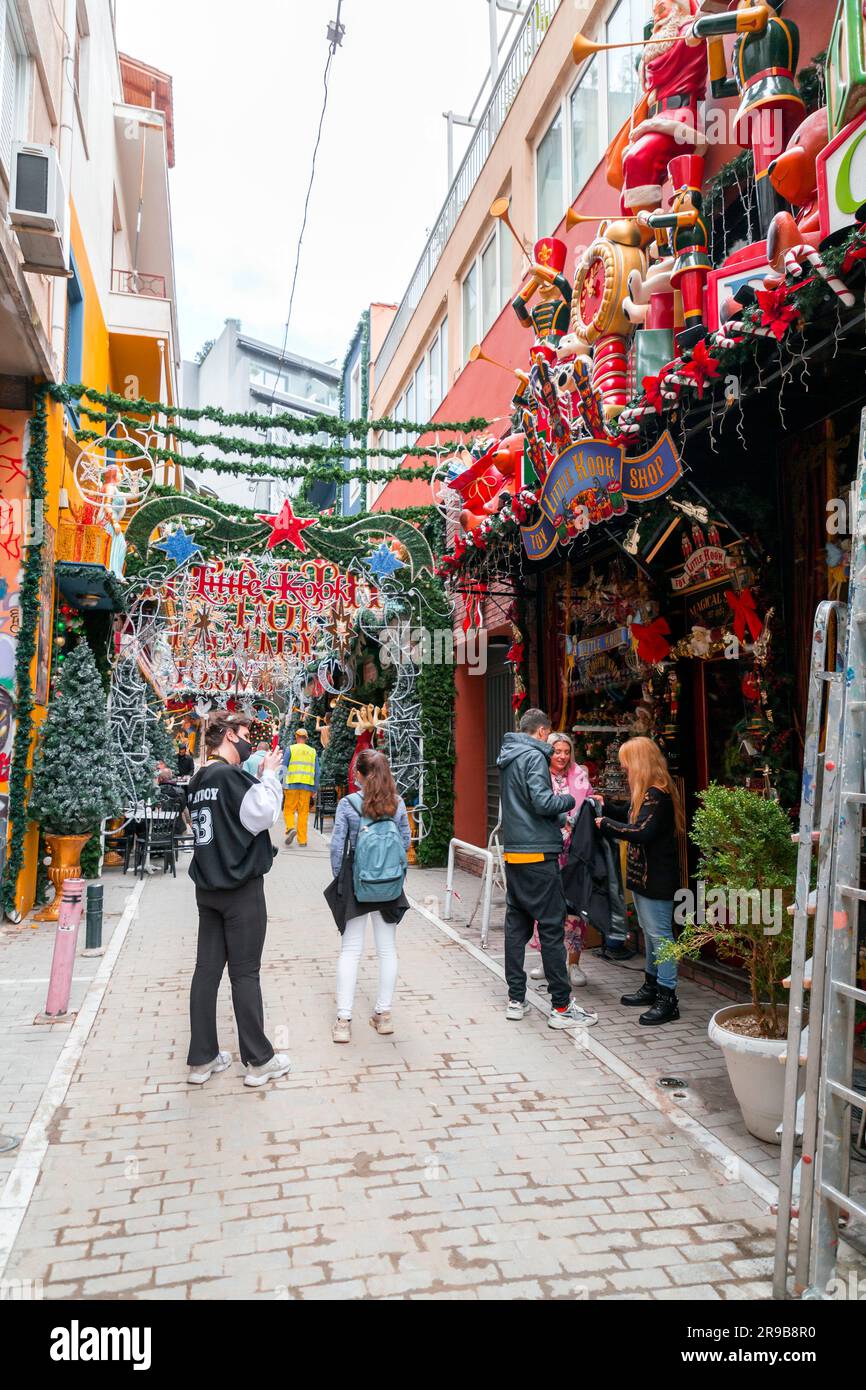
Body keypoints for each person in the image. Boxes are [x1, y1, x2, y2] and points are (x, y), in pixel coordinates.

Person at [185, 710, 292, 1087]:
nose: (248, 740)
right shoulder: (229, 775)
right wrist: (270, 775)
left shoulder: (198, 779)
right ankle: (259, 1060)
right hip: (240, 888)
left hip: (207, 888)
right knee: (245, 973)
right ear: (229, 736)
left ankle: (202, 1059)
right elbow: (261, 815)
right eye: (244, 733)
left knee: (206, 971)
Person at [496, 708, 597, 1030]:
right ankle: (561, 1007)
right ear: (542, 732)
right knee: (553, 929)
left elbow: (525, 804)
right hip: (538, 854)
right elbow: (541, 802)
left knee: (517, 929)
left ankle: (515, 999)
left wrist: (555, 816)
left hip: (514, 853)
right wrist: (569, 801)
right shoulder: (534, 757)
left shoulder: (509, 757)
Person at [596, 736, 683, 1026]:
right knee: (650, 933)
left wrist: (605, 824)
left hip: (656, 877)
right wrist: (605, 806)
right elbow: (630, 817)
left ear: (639, 761)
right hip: (645, 876)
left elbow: (641, 831)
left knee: (660, 937)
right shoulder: (647, 793)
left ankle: (668, 997)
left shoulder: (658, 795)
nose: (623, 768)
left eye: (626, 762)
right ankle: (652, 985)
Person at [329, 749, 411, 1044]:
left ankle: (343, 1020)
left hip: (357, 882)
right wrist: (397, 877)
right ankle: (384, 1014)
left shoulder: (348, 804)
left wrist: (340, 880)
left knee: (350, 950)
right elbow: (404, 842)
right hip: (389, 882)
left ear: (361, 776)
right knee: (387, 949)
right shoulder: (398, 804)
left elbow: (338, 846)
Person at [529, 732, 595, 989]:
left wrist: (593, 801)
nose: (562, 756)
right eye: (557, 751)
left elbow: (586, 801)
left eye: (566, 751)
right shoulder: (538, 774)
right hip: (547, 851)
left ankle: (574, 964)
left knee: (575, 910)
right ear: (549, 752)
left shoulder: (580, 773)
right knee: (545, 907)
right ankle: (547, 961)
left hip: (575, 853)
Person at [282, 727, 318, 846]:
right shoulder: (312, 751)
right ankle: (302, 840)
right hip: (307, 785)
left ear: (296, 737)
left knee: (289, 809)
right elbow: (317, 771)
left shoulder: (290, 749)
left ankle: (291, 827)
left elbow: (284, 767)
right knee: (303, 812)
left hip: (292, 784)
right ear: (306, 738)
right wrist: (315, 788)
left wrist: (282, 783)